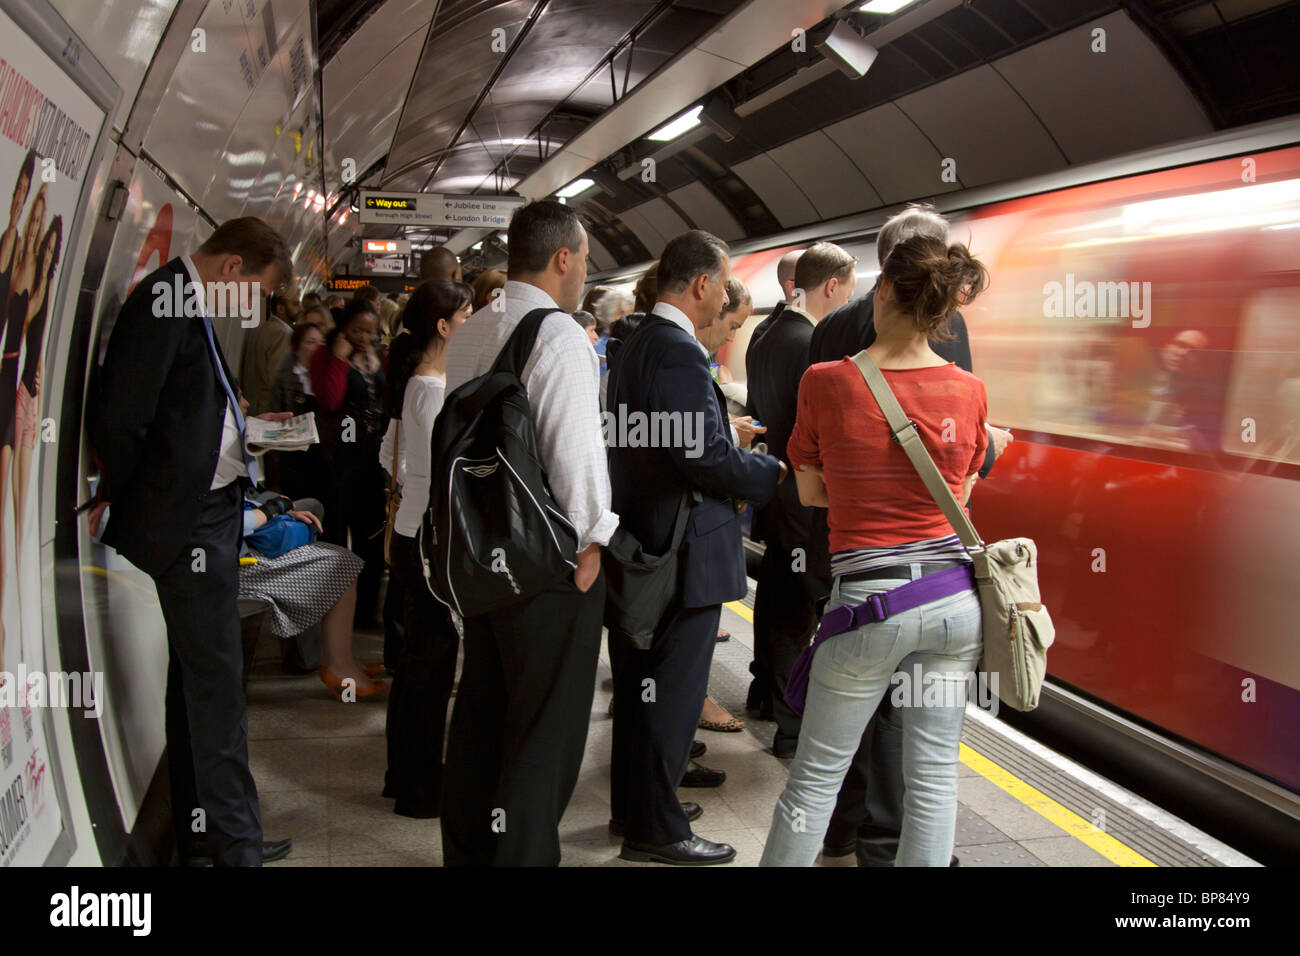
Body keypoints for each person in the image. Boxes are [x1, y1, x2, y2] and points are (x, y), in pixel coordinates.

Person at [761, 234, 990, 867]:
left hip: (869, 604)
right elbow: (960, 493)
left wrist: (861, 483)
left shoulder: (828, 381)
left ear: (881, 290)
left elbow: (809, 490)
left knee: (816, 777)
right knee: (935, 780)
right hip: (951, 604)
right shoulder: (969, 391)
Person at [808, 205, 1012, 866]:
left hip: (847, 556)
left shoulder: (832, 331)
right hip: (930, 577)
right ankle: (881, 839)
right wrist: (991, 451)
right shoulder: (947, 340)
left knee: (830, 741)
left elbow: (812, 463)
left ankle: (843, 829)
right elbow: (956, 466)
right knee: (915, 739)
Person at [90, 217, 295, 866]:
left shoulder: (188, 301)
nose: (255, 307)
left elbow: (184, 414)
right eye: (257, 291)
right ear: (232, 267)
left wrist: (249, 429)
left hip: (206, 517)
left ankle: (203, 826)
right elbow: (122, 418)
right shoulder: (163, 301)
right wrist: (157, 507)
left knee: (197, 682)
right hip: (189, 528)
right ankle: (236, 848)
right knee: (218, 689)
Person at [441, 199, 616, 866]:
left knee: (483, 713)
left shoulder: (472, 330)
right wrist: (593, 541)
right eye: (585, 259)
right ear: (563, 257)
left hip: (480, 555)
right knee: (545, 730)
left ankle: (469, 853)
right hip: (546, 564)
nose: (585, 274)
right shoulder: (562, 335)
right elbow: (574, 458)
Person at [606, 229, 784, 866]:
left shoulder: (632, 341)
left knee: (640, 687)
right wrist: (767, 474)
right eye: (725, 281)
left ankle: (636, 806)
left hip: (644, 542)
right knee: (673, 692)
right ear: (704, 283)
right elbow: (704, 455)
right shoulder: (679, 350)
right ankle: (656, 829)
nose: (728, 296)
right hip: (682, 551)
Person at [746, 241, 857, 758]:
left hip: (773, 486)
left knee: (775, 593)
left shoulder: (766, 334)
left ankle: (764, 692)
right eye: (849, 290)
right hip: (802, 493)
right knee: (797, 609)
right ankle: (793, 723)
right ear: (830, 286)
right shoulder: (810, 344)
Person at [383, 278, 473, 819]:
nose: (473, 324)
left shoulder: (416, 384)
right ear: (443, 326)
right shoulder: (434, 390)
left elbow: (385, 458)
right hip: (427, 541)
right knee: (431, 669)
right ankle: (420, 789)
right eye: (466, 315)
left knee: (419, 665)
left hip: (410, 532)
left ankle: (404, 775)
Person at [310, 298, 387, 629]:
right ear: (343, 328)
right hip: (340, 462)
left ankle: (366, 613)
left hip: (373, 460)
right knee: (339, 539)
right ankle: (336, 613)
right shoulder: (325, 357)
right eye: (357, 330)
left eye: (370, 331)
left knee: (371, 539)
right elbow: (329, 399)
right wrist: (340, 360)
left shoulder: (378, 356)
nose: (364, 337)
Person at [11, 216, 61, 582]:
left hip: (31, 391)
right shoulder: (25, 277)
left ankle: (19, 579)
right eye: (45, 247)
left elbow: (39, 345)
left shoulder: (46, 283)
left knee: (23, 507)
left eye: (50, 251)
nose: (45, 255)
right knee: (11, 503)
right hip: (16, 390)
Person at [241, 285, 299, 416]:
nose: (300, 309)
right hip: (268, 408)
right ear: (280, 308)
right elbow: (277, 378)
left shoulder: (263, 328)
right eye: (295, 304)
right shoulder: (281, 334)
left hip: (254, 403)